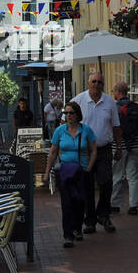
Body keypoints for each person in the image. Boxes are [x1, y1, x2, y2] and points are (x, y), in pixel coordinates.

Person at [70, 71, 121, 234]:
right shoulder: (78, 101)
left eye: (99, 82)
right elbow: (67, 123)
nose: (96, 84)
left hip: (104, 149)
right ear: (88, 83)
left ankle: (103, 214)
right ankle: (90, 220)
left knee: (106, 183)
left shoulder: (110, 102)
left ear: (103, 85)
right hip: (84, 150)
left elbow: (116, 127)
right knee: (87, 186)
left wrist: (119, 147)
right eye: (94, 81)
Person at [45, 101, 97, 248]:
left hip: (82, 172)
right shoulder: (60, 131)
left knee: (80, 202)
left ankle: (77, 228)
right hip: (65, 172)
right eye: (66, 113)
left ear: (77, 114)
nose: (68, 116)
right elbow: (53, 152)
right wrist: (46, 172)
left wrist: (89, 167)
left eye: (71, 113)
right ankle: (68, 235)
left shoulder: (86, 130)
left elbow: (93, 150)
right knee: (67, 204)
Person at [110, 81, 138, 215]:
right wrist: (137, 139)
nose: (113, 93)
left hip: (119, 145)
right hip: (134, 145)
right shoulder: (137, 107)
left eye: (113, 91)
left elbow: (114, 128)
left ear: (118, 92)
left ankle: (115, 204)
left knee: (117, 175)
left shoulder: (115, 107)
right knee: (133, 176)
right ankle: (134, 205)